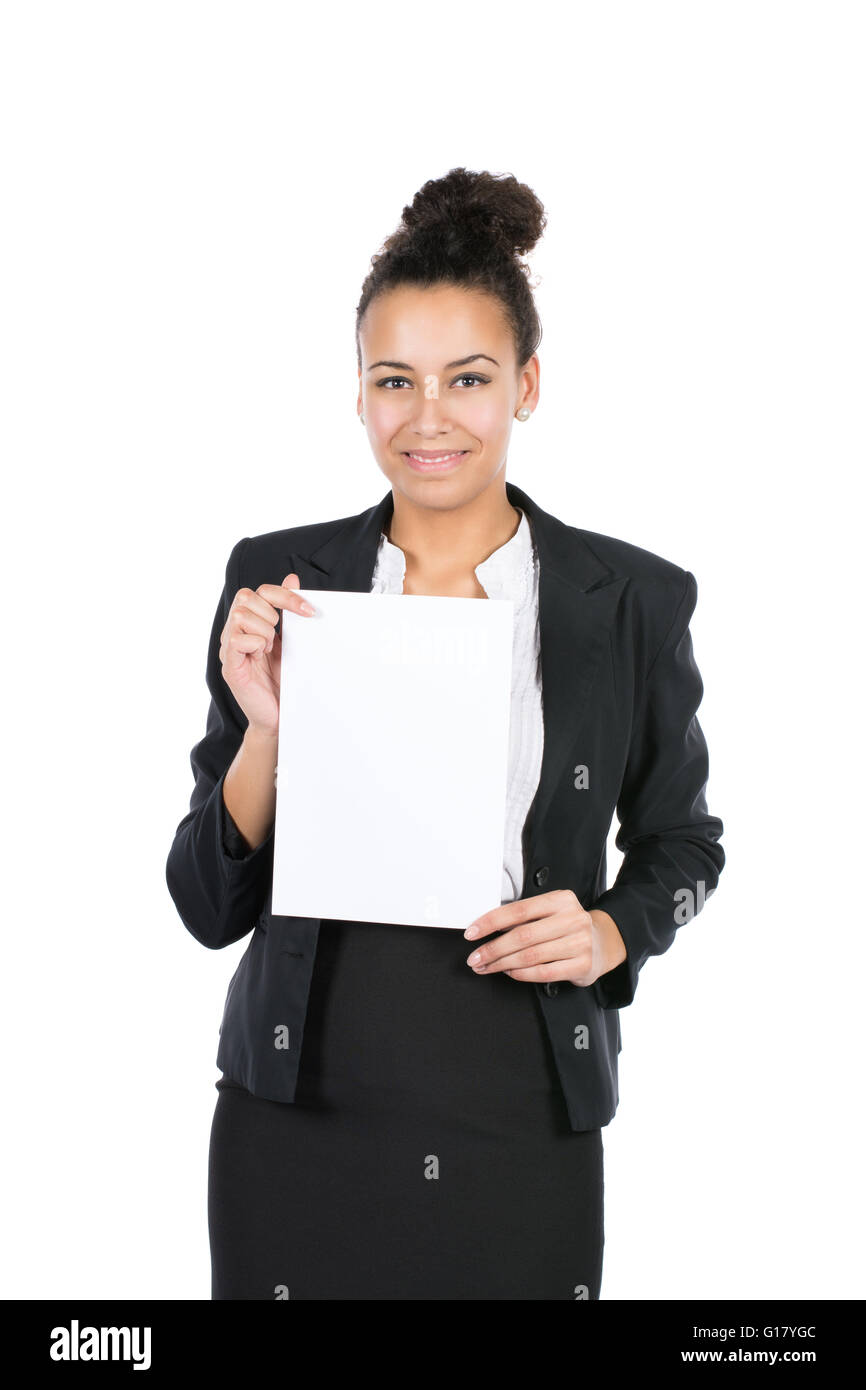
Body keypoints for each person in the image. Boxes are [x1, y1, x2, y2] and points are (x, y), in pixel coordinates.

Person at [165, 167, 725, 1301]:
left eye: (466, 378)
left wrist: (612, 932)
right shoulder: (280, 584)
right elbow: (202, 904)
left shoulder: (630, 600)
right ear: (357, 394)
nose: (428, 416)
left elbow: (684, 847)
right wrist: (267, 730)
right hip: (298, 1110)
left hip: (520, 1112)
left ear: (524, 385)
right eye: (393, 380)